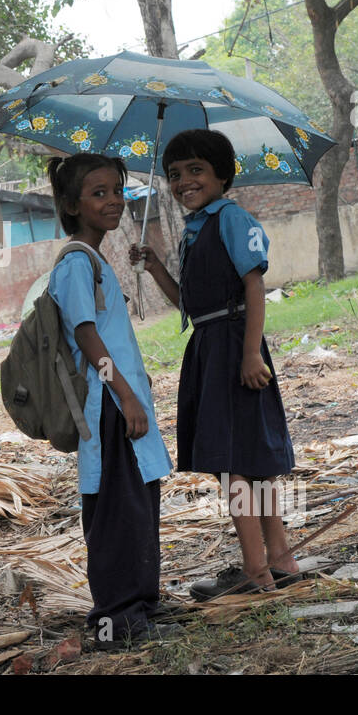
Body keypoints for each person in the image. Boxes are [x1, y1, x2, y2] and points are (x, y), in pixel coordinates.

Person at [129, 129, 300, 600]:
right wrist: (157, 266)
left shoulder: (230, 218)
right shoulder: (196, 228)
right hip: (208, 344)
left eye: (196, 170)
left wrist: (249, 353)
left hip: (233, 345)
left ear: (223, 175)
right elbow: (190, 303)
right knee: (249, 459)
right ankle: (280, 560)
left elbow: (253, 286)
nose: (184, 181)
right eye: (174, 174)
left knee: (233, 463)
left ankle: (255, 569)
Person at [47, 152, 175, 648]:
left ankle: (141, 608)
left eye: (117, 191)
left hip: (122, 404)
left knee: (137, 506)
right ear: (72, 204)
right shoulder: (77, 262)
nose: (113, 201)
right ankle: (112, 622)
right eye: (99, 193)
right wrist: (124, 394)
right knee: (116, 515)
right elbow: (86, 338)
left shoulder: (96, 258)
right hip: (106, 409)